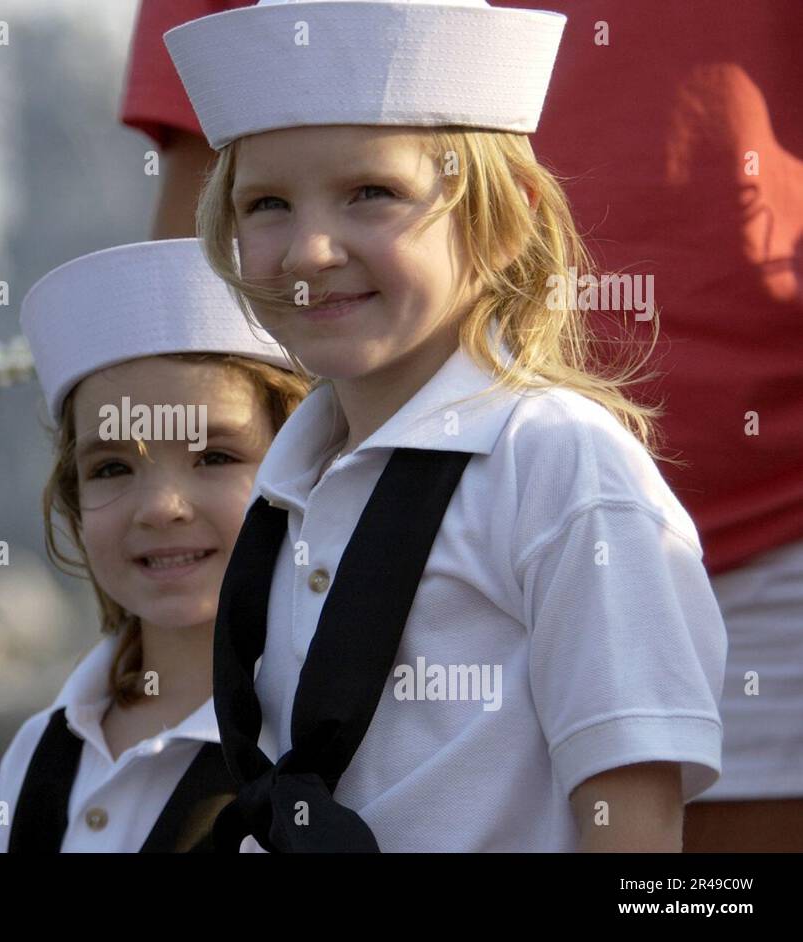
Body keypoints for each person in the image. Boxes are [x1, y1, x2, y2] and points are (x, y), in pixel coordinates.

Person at [125, 0, 803, 854]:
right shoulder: (289, 482)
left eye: (372, 193)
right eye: (267, 205)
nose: (309, 252)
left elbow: (633, 826)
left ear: (509, 213)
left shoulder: (562, 467)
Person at [0, 238, 308, 851]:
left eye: (215, 457)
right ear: (73, 498)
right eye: (113, 468)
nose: (161, 508)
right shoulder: (37, 758)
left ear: (300, 467)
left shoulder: (327, 746)